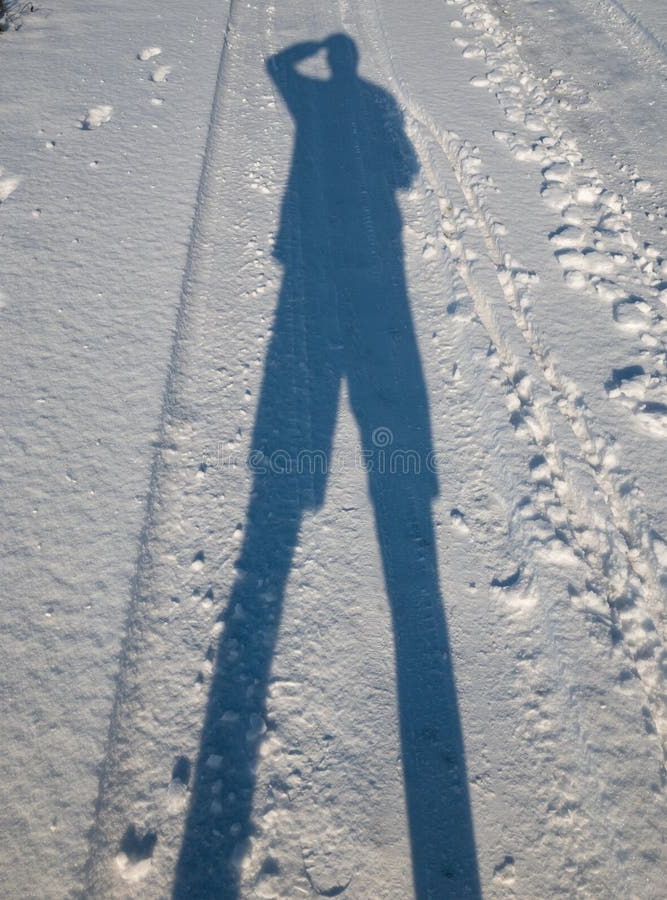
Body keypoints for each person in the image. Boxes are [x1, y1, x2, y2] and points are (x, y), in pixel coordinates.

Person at [174, 34, 480, 899]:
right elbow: (410, 173)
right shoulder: (372, 104)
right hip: (366, 257)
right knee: (384, 425)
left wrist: (306, 54)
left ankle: (302, 475)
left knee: (307, 413)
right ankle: (376, 467)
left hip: (313, 252)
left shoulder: (319, 98)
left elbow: (278, 70)